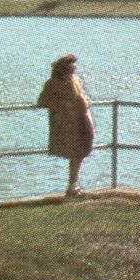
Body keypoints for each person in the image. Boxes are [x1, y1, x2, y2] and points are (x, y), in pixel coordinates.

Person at [36, 54, 94, 198]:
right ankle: (72, 186)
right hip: (67, 124)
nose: (73, 69)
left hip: (82, 119)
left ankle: (74, 184)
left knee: (83, 149)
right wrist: (63, 105)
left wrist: (85, 103)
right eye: (71, 66)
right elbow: (42, 101)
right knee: (74, 151)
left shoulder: (76, 80)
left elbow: (83, 96)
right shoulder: (53, 83)